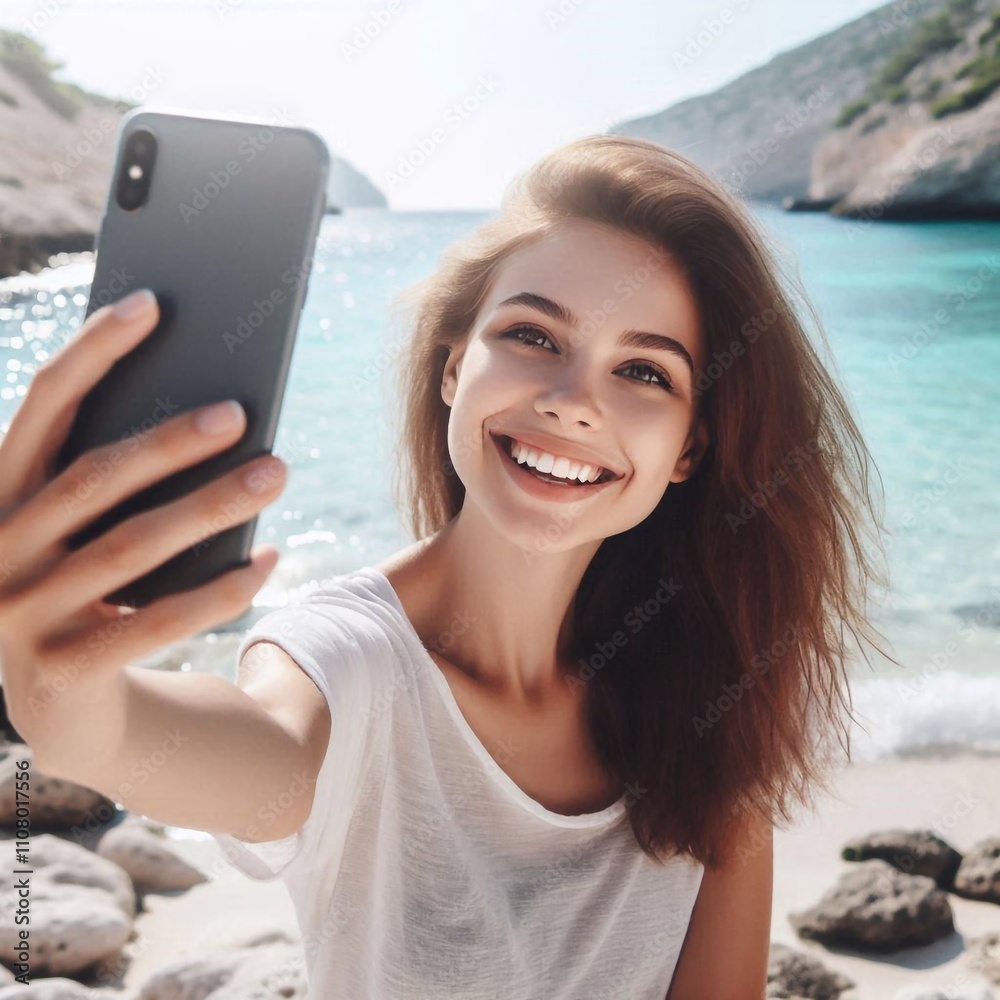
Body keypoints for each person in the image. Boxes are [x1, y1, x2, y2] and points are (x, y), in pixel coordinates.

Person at [0, 134, 890, 999]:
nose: (573, 403)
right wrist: (67, 699)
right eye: (535, 336)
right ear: (455, 366)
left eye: (645, 373)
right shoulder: (343, 662)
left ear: (689, 448)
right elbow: (236, 753)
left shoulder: (712, 683)